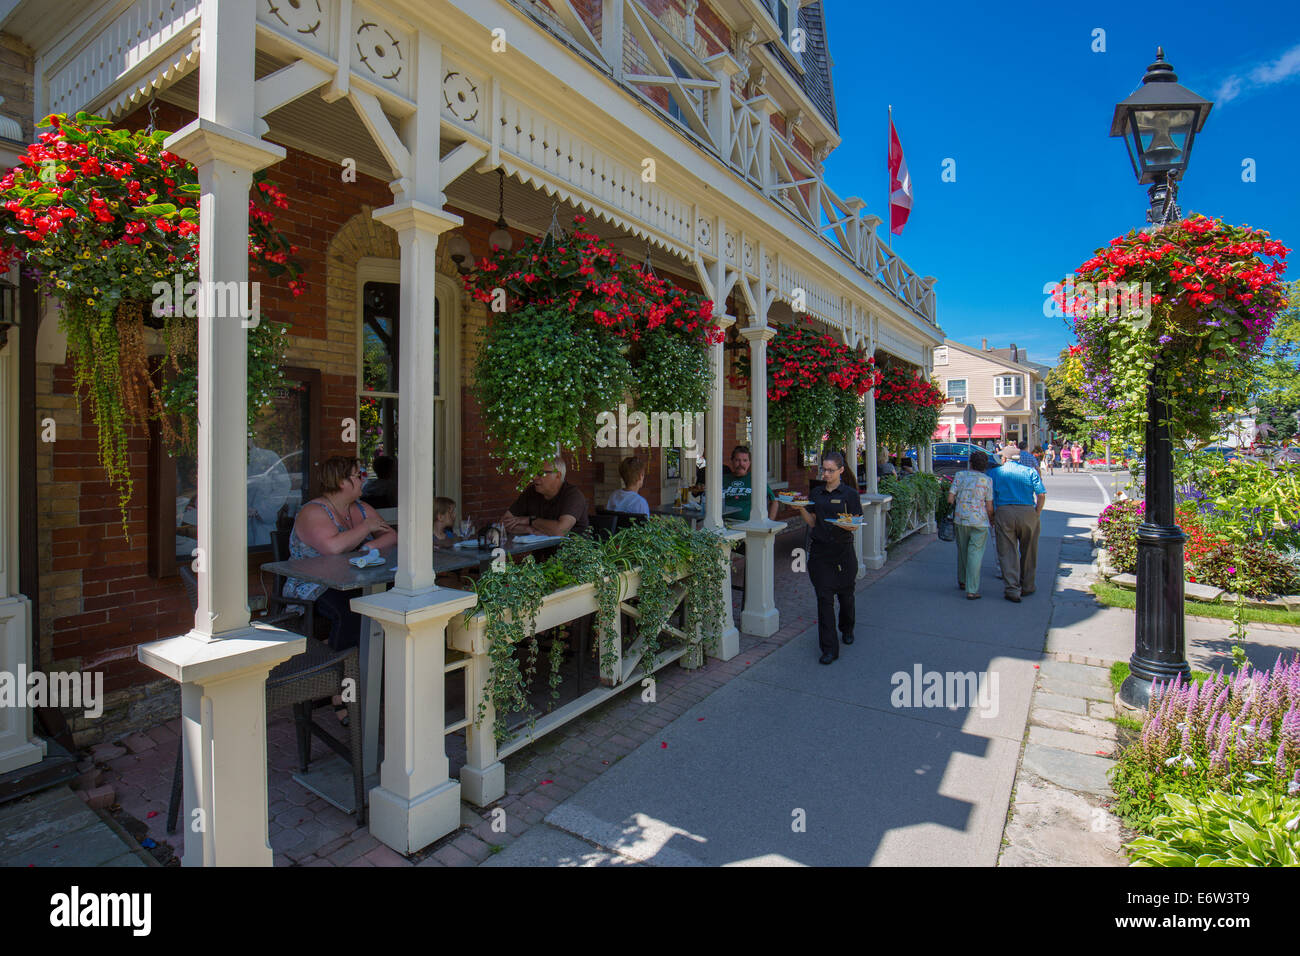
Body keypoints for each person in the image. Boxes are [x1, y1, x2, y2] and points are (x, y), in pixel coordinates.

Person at [283, 457, 396, 722]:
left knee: (393, 599)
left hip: (352, 580)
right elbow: (332, 548)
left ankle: (374, 675)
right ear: (341, 481)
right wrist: (365, 531)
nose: (364, 479)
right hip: (312, 585)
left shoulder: (359, 508)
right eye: (359, 475)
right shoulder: (314, 512)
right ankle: (340, 689)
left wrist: (365, 548)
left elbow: (391, 536)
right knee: (353, 612)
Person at [798, 451, 861, 664]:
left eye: (830, 470)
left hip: (843, 552)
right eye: (823, 469)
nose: (825, 474)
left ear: (841, 470)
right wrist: (800, 509)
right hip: (821, 553)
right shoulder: (816, 493)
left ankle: (847, 627)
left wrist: (846, 525)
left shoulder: (850, 495)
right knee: (824, 599)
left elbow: (855, 525)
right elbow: (813, 522)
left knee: (846, 596)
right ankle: (829, 649)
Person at [991, 443, 1047, 602]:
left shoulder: (995, 473)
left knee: (1007, 551)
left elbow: (990, 495)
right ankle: (1028, 585)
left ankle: (1012, 588)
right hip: (1027, 511)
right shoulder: (1029, 471)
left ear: (1004, 458)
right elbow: (1041, 494)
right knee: (1029, 550)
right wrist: (1037, 512)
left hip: (1004, 511)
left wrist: (993, 515)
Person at [949, 448, 995, 600]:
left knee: (962, 551)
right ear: (984, 465)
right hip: (980, 521)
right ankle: (972, 589)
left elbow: (950, 498)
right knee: (975, 554)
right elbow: (989, 506)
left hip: (961, 518)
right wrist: (992, 519)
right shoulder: (987, 480)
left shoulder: (960, 475)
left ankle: (962, 580)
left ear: (970, 463)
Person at [501, 456, 589, 536]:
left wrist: (530, 520)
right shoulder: (532, 491)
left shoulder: (573, 495)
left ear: (558, 475)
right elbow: (504, 522)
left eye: (540, 473)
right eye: (534, 472)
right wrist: (528, 529)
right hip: (541, 551)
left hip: (572, 552)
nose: (534, 477)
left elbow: (560, 531)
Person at [722, 445, 778, 521]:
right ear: (732, 461)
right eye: (737, 460)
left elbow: (774, 502)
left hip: (749, 525)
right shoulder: (723, 479)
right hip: (725, 524)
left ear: (749, 463)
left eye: (745, 460)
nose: (741, 464)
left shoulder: (756, 479)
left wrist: (770, 523)